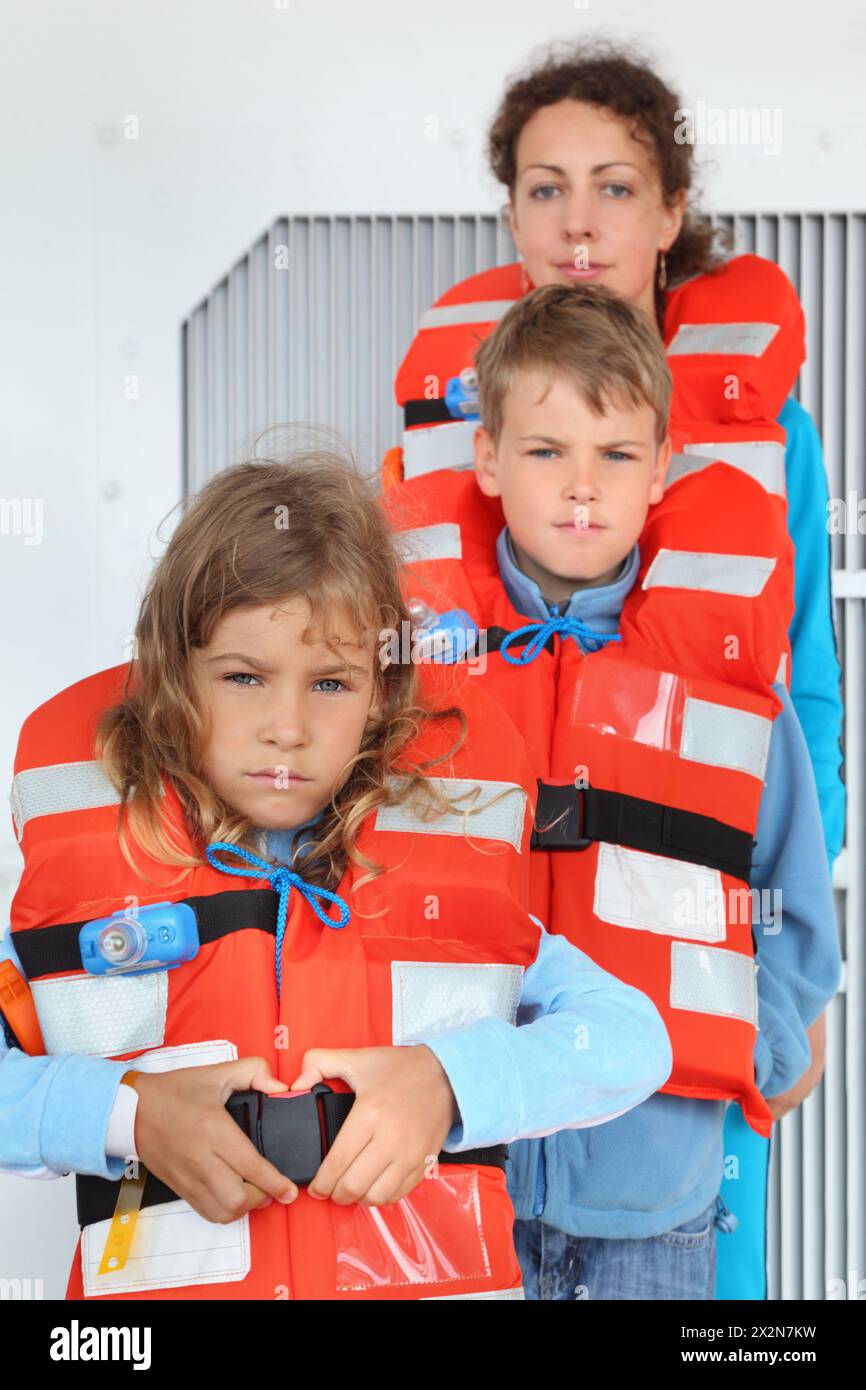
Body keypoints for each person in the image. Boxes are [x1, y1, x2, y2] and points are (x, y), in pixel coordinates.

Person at [0, 442, 671, 1301]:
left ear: (382, 695)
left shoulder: (442, 887)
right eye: (244, 676)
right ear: (173, 678)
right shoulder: (92, 886)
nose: (287, 726)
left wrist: (450, 1083)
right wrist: (128, 1114)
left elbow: (632, 1040)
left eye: (330, 684)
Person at [388, 39, 845, 1299]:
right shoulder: (446, 432)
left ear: (670, 214)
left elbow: (792, 696)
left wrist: (785, 984)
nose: (576, 224)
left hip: (685, 980)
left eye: (613, 187)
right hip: (484, 1033)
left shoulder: (767, 438)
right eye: (543, 189)